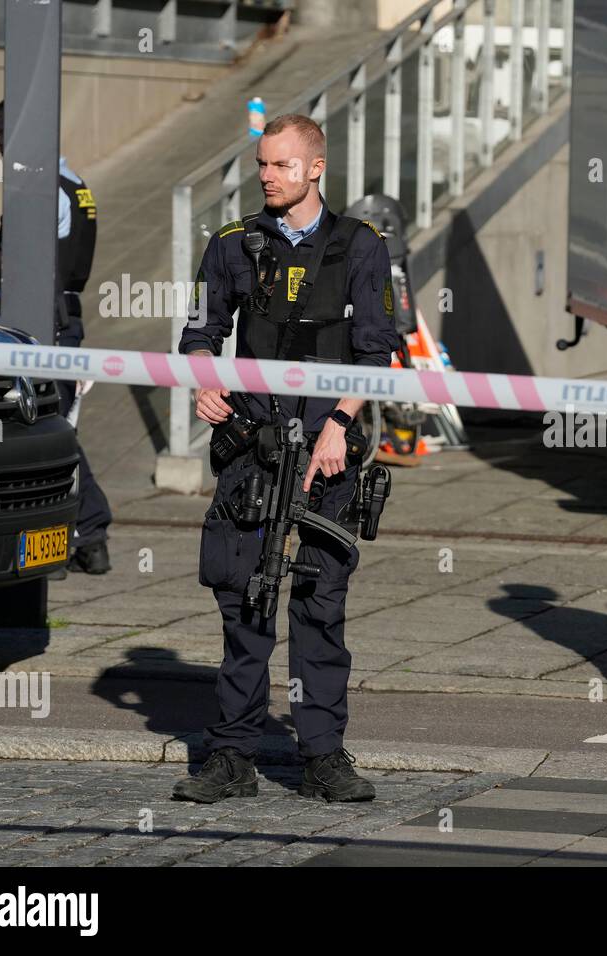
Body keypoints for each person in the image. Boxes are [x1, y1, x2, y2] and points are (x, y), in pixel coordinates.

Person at [173, 113, 401, 802]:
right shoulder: (233, 244)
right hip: (256, 444)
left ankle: (324, 755)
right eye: (263, 165)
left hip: (330, 448)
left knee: (318, 603)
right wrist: (205, 382)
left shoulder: (361, 247)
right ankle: (233, 755)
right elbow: (198, 331)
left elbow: (378, 351)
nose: (267, 176)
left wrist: (338, 425)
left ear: (315, 168)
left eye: (280, 165)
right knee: (244, 600)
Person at [0, 100, 113, 573]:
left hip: (44, 323)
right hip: (57, 318)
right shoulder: (72, 185)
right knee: (46, 429)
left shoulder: (43, 191)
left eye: (2, 131)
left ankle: (84, 532)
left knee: (43, 431)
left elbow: (30, 265)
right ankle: (81, 537)